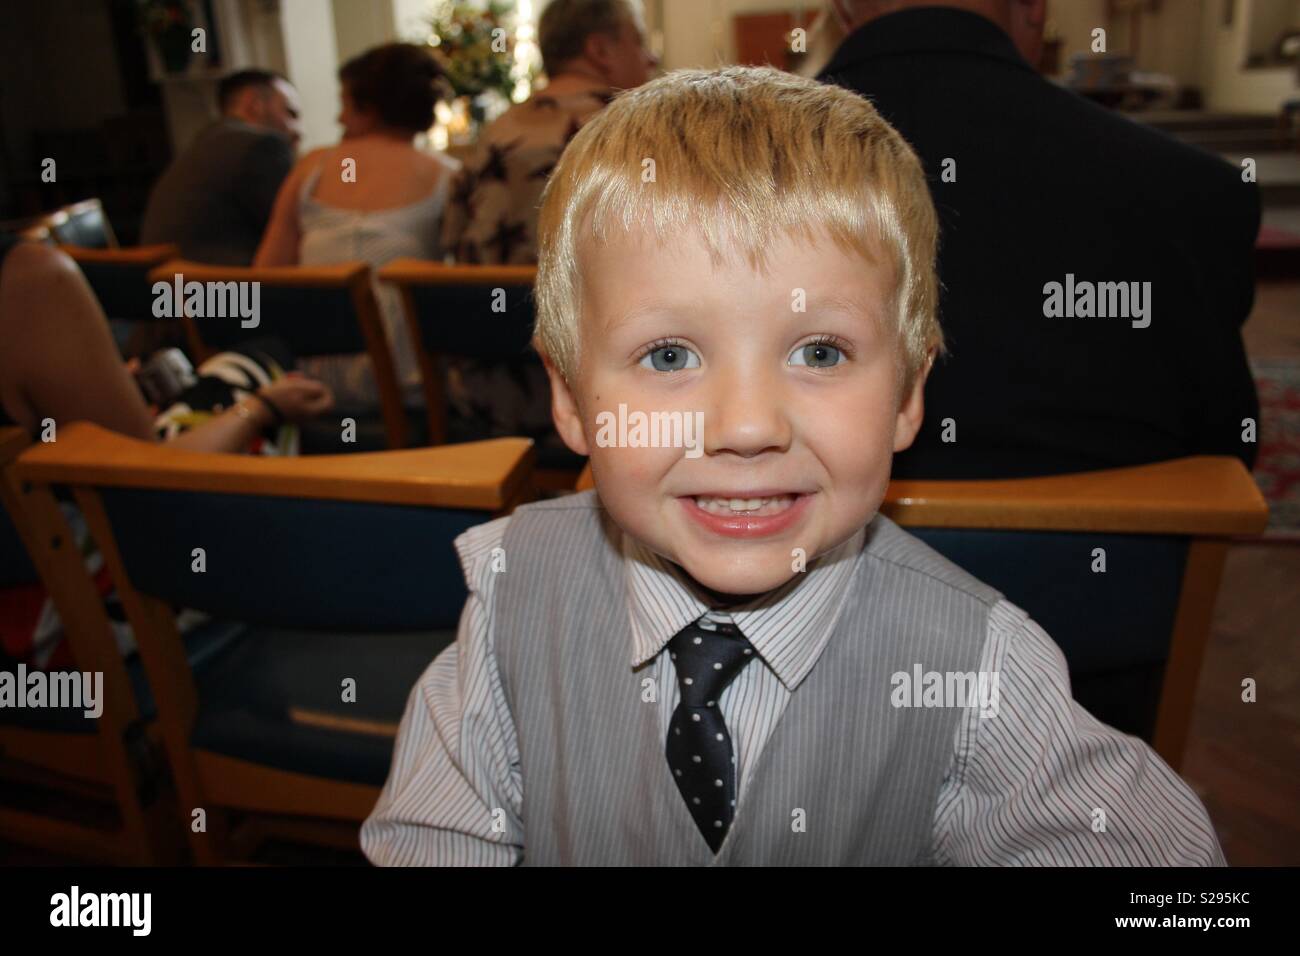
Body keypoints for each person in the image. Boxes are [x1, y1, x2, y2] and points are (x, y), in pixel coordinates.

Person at [361, 67, 1224, 865]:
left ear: (909, 397)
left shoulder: (976, 668)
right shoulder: (513, 602)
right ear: (572, 401)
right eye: (667, 356)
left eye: (819, 352)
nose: (746, 428)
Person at [815, 0, 1259, 480]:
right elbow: (1228, 453)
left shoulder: (727, 178)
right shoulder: (1193, 192)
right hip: (1112, 551)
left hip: (800, 547)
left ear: (841, 8)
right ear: (1033, 7)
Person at [0, 236, 333, 668]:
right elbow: (148, 481)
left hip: (26, 636)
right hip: (78, 625)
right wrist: (261, 410)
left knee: (224, 373)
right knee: (259, 367)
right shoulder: (29, 279)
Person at [438, 0, 658, 448]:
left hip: (485, 394)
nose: (650, 57)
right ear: (600, 49)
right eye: (638, 41)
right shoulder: (637, 129)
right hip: (603, 398)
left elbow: (450, 243)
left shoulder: (493, 133)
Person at [255, 43, 459, 414]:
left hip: (306, 386)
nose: (339, 120)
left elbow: (266, 280)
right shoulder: (447, 176)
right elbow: (459, 290)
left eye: (346, 105)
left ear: (370, 107)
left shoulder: (311, 168)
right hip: (411, 388)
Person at [141, 70, 302, 265]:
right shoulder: (260, 146)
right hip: (222, 286)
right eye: (290, 113)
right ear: (254, 103)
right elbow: (296, 229)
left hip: (172, 287)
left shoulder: (209, 140)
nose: (298, 130)